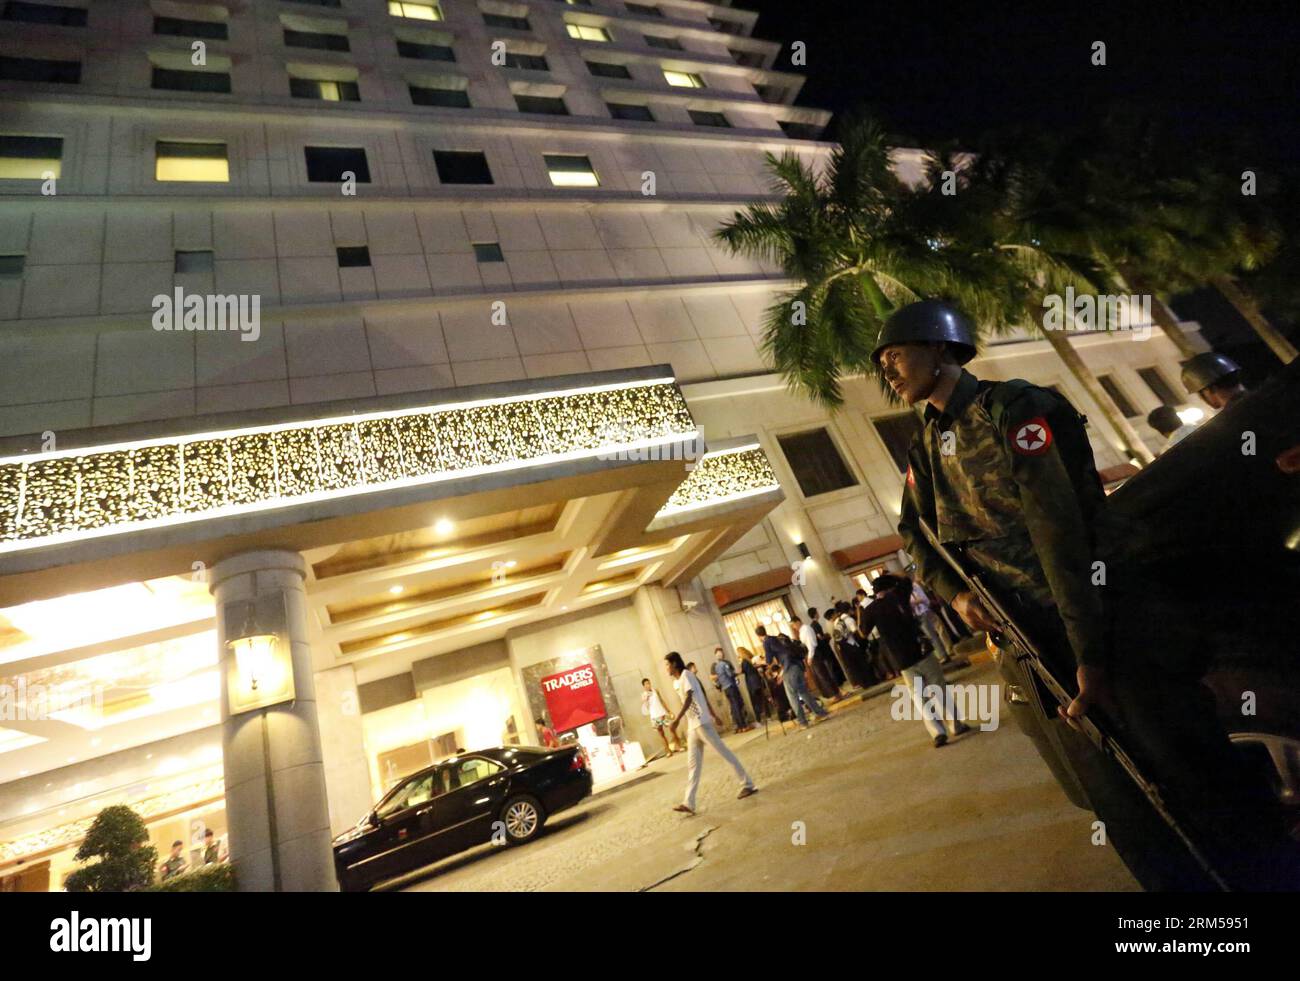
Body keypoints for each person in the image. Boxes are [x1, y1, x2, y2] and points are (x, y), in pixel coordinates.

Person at [879, 298, 1251, 891]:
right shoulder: (926, 444)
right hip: (1023, 644)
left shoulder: (1014, 408)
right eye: (884, 364)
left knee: (1185, 781)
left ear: (942, 349)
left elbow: (1061, 535)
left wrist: (1089, 653)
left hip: (1095, 625)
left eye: (897, 356)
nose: (889, 372)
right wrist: (955, 595)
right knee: (1114, 800)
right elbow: (913, 532)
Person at [864, 575, 971, 747]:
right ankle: (956, 726)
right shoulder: (898, 595)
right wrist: (890, 577)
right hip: (921, 651)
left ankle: (938, 733)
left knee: (920, 698)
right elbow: (906, 579)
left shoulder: (871, 609)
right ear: (890, 587)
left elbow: (863, 632)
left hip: (902, 660)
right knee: (939, 689)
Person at [664, 652, 756, 814]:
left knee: (724, 753)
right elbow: (698, 698)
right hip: (693, 726)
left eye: (667, 664)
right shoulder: (677, 682)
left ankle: (747, 784)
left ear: (675, 664)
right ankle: (689, 802)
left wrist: (677, 720)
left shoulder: (686, 675)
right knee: (693, 765)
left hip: (701, 723)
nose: (666, 668)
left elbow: (689, 698)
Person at [755, 624, 828, 729]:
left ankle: (803, 722)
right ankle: (821, 714)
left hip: (789, 669)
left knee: (792, 697)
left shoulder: (766, 642)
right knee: (804, 692)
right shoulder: (776, 638)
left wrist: (760, 662)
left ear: (758, 636)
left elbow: (768, 660)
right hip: (798, 666)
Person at [1180, 351, 1248, 409]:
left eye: (1200, 394)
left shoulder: (1225, 421)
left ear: (1209, 391)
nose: (1201, 399)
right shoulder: (1257, 398)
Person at [795, 616, 840, 701]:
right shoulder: (802, 631)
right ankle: (833, 694)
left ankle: (835, 694)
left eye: (794, 625)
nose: (794, 627)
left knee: (823, 675)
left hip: (814, 654)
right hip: (811, 654)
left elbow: (811, 644)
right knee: (819, 676)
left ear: (797, 622)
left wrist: (810, 657)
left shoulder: (806, 629)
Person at [710, 647, 751, 732]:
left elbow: (717, 677)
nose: (722, 654)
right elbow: (730, 674)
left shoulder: (716, 666)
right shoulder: (725, 664)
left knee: (734, 707)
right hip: (731, 686)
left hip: (725, 688)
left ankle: (739, 727)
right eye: (720, 653)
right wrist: (738, 673)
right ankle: (743, 726)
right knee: (737, 706)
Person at [641, 677, 681, 756]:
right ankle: (668, 750)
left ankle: (678, 746)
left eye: (649, 683)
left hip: (662, 714)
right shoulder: (644, 695)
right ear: (644, 686)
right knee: (661, 733)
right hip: (655, 717)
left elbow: (662, 701)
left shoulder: (656, 690)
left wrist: (668, 711)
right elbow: (645, 708)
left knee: (671, 728)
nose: (648, 685)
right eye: (646, 684)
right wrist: (646, 699)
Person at [736, 647, 769, 723]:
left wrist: (735, 673)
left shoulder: (744, 662)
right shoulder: (750, 659)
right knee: (762, 698)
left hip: (751, 683)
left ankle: (760, 718)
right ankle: (768, 715)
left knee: (756, 701)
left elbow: (742, 671)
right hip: (757, 680)